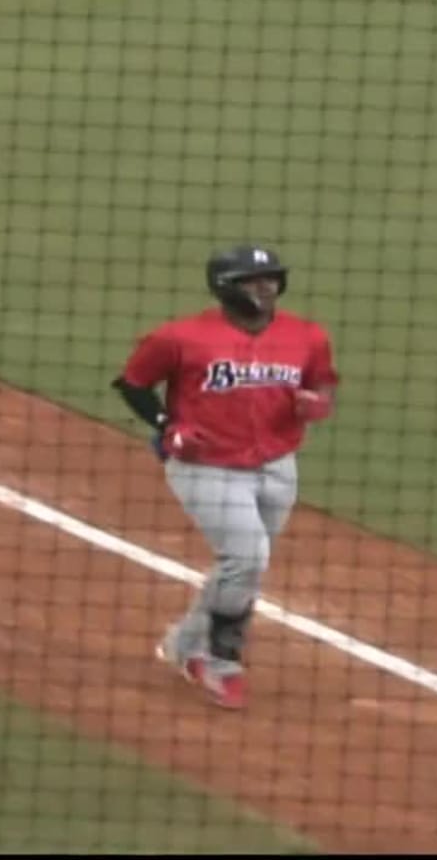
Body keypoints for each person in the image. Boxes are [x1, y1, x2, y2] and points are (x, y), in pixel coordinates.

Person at [111, 244, 339, 709]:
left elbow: (322, 380)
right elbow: (132, 384)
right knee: (248, 558)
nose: (266, 287)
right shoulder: (181, 338)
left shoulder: (306, 336)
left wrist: (318, 403)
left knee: (241, 566)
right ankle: (220, 662)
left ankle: (182, 645)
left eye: (272, 278)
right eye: (254, 280)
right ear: (225, 287)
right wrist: (166, 426)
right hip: (205, 468)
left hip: (277, 467)